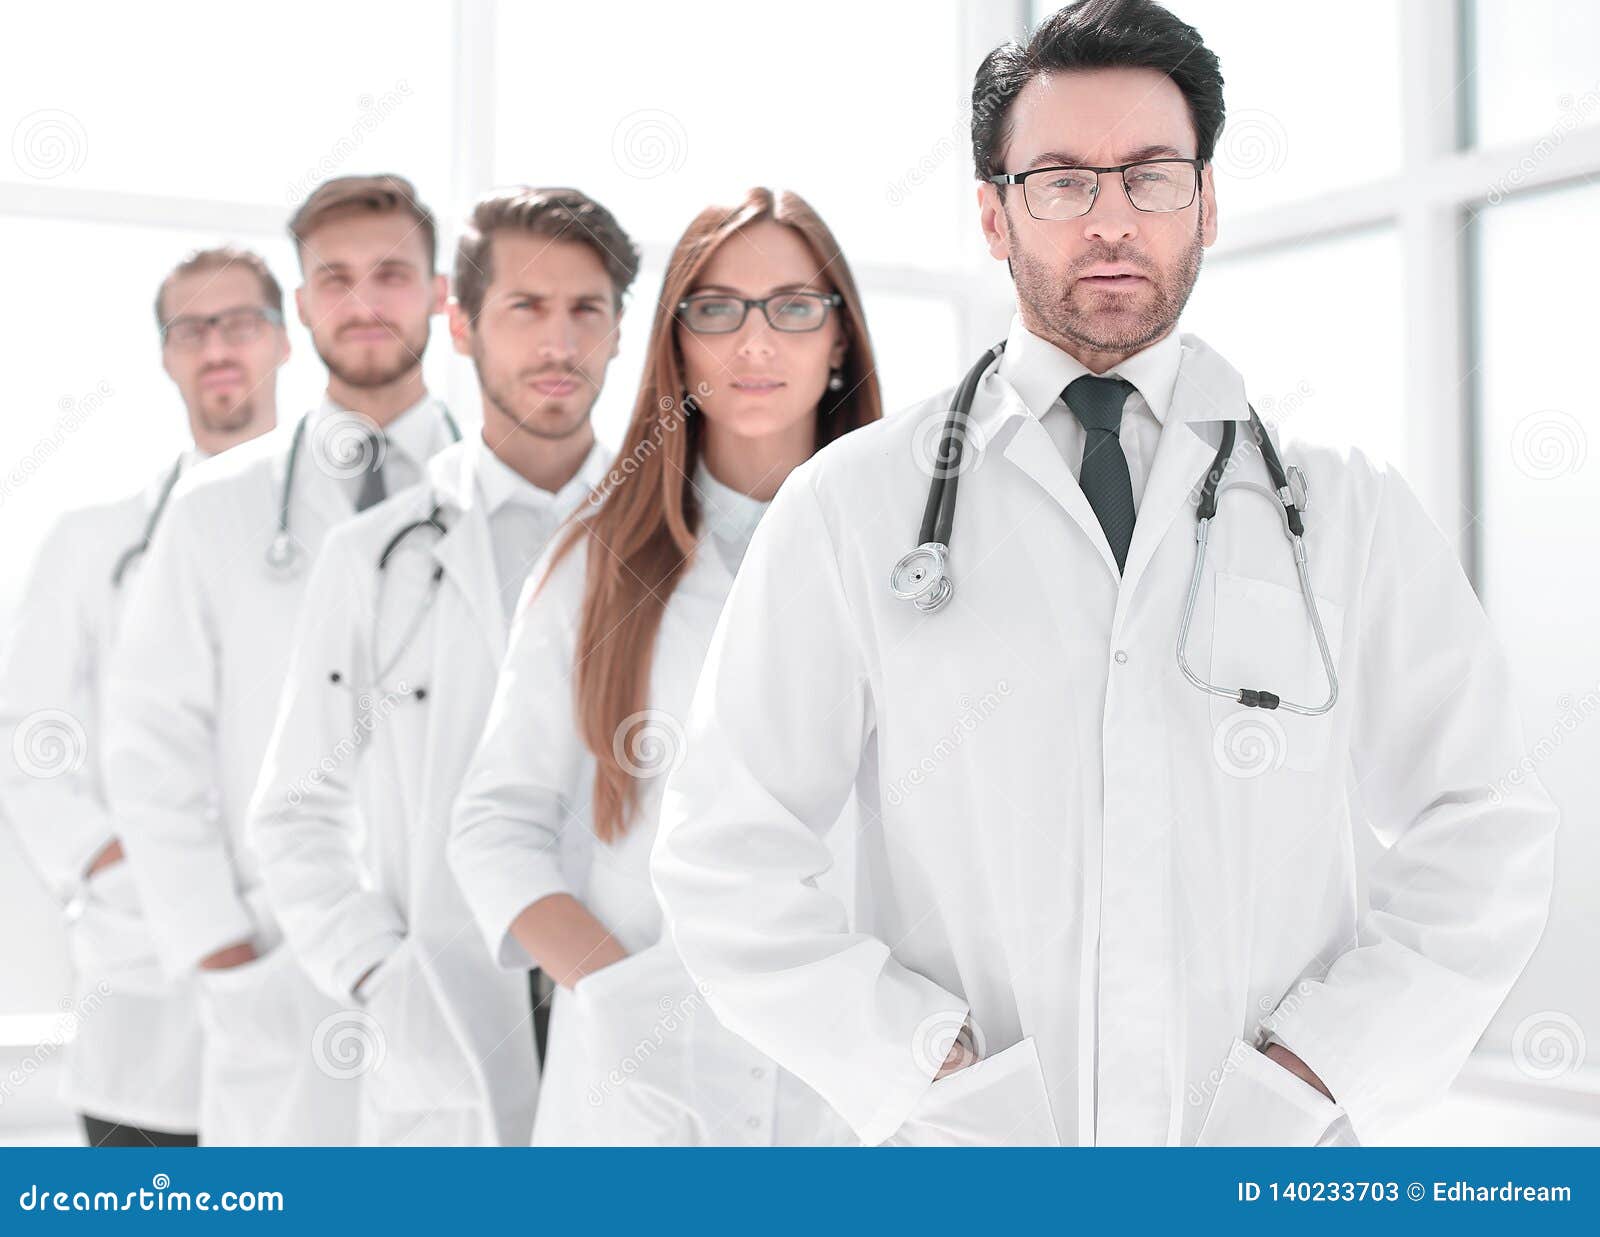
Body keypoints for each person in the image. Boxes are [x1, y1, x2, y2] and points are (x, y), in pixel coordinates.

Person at [650, 0, 1558, 1147]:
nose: (1112, 219)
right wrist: (923, 1066)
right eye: (1063, 180)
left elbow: (1480, 821)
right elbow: (726, 849)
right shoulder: (851, 506)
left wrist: (1321, 1067)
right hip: (974, 1166)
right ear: (993, 214)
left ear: (1208, 202)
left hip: (1265, 1161)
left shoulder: (1345, 508)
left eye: (1151, 175)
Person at [448, 187, 882, 1145]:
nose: (755, 344)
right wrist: (617, 986)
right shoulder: (593, 563)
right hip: (637, 1088)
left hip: (854, 1082)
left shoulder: (915, 561)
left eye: (794, 306)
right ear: (677, 343)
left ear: (840, 338)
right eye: (717, 309)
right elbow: (494, 826)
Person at [247, 187, 637, 1144]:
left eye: (587, 309)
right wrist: (384, 975)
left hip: (635, 995)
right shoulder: (377, 557)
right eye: (525, 308)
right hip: (450, 1021)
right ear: (460, 326)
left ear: (623, 330)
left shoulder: (672, 542)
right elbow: (296, 812)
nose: (559, 343)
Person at [102, 174, 461, 1145]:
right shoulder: (216, 507)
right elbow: (148, 747)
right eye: (334, 278)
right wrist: (224, 948)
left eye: (392, 273)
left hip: (454, 954)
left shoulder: (500, 498)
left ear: (438, 293)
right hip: (278, 960)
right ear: (301, 307)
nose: (364, 300)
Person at [0, 246, 287, 1147]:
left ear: (284, 340)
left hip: (304, 963)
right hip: (142, 978)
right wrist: (119, 861)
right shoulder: (93, 542)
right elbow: (27, 735)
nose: (217, 347)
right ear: (166, 357)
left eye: (240, 321)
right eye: (190, 329)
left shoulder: (360, 537)